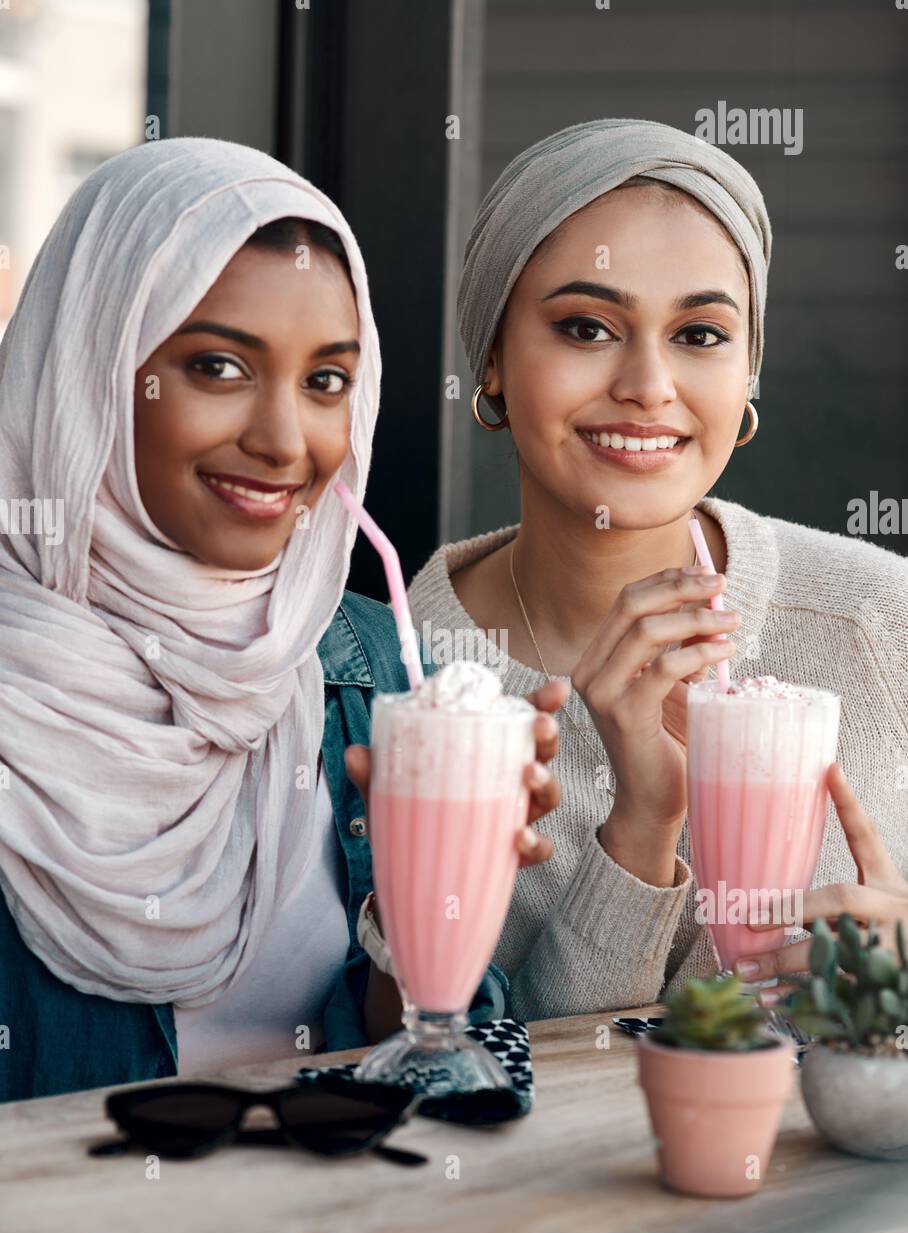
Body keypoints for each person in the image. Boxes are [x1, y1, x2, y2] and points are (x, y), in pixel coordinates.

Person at [0, 136, 564, 1103]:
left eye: (326, 381)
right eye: (218, 366)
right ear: (88, 370)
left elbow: (439, 1075)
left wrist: (427, 910)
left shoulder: (379, 667)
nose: (284, 441)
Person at [407, 117, 908, 1021]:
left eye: (702, 335)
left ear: (750, 369)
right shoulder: (401, 680)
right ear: (490, 359)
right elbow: (462, 1066)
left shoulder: (879, 618)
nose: (647, 383)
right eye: (587, 326)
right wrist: (640, 829)